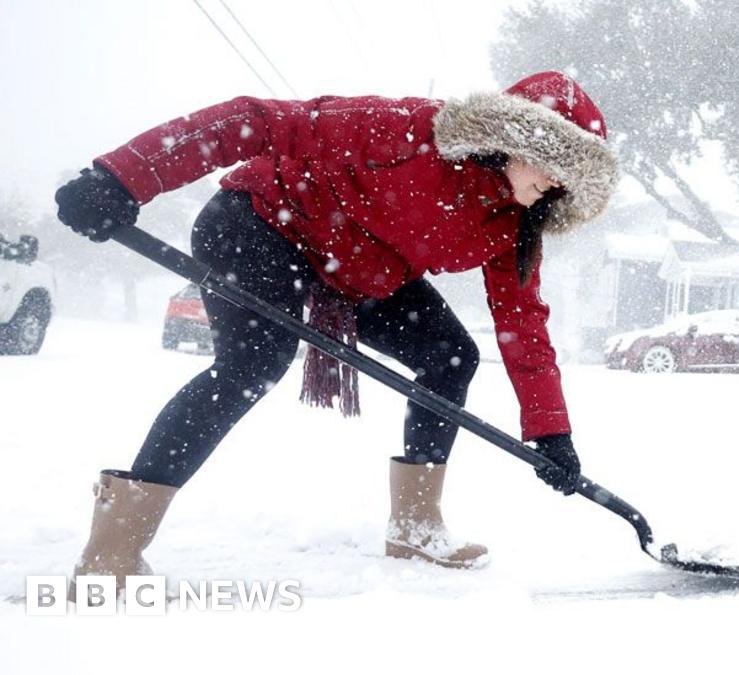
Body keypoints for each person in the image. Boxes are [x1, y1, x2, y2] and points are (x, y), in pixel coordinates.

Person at [54, 71, 619, 586]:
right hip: (261, 222)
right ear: (514, 138)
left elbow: (523, 322)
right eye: (555, 163)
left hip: (352, 268)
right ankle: (113, 548)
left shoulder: (516, 222)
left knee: (449, 355)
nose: (559, 184)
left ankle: (415, 526)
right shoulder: (408, 130)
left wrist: (551, 432)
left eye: (572, 177)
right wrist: (121, 178)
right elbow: (253, 121)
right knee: (253, 364)